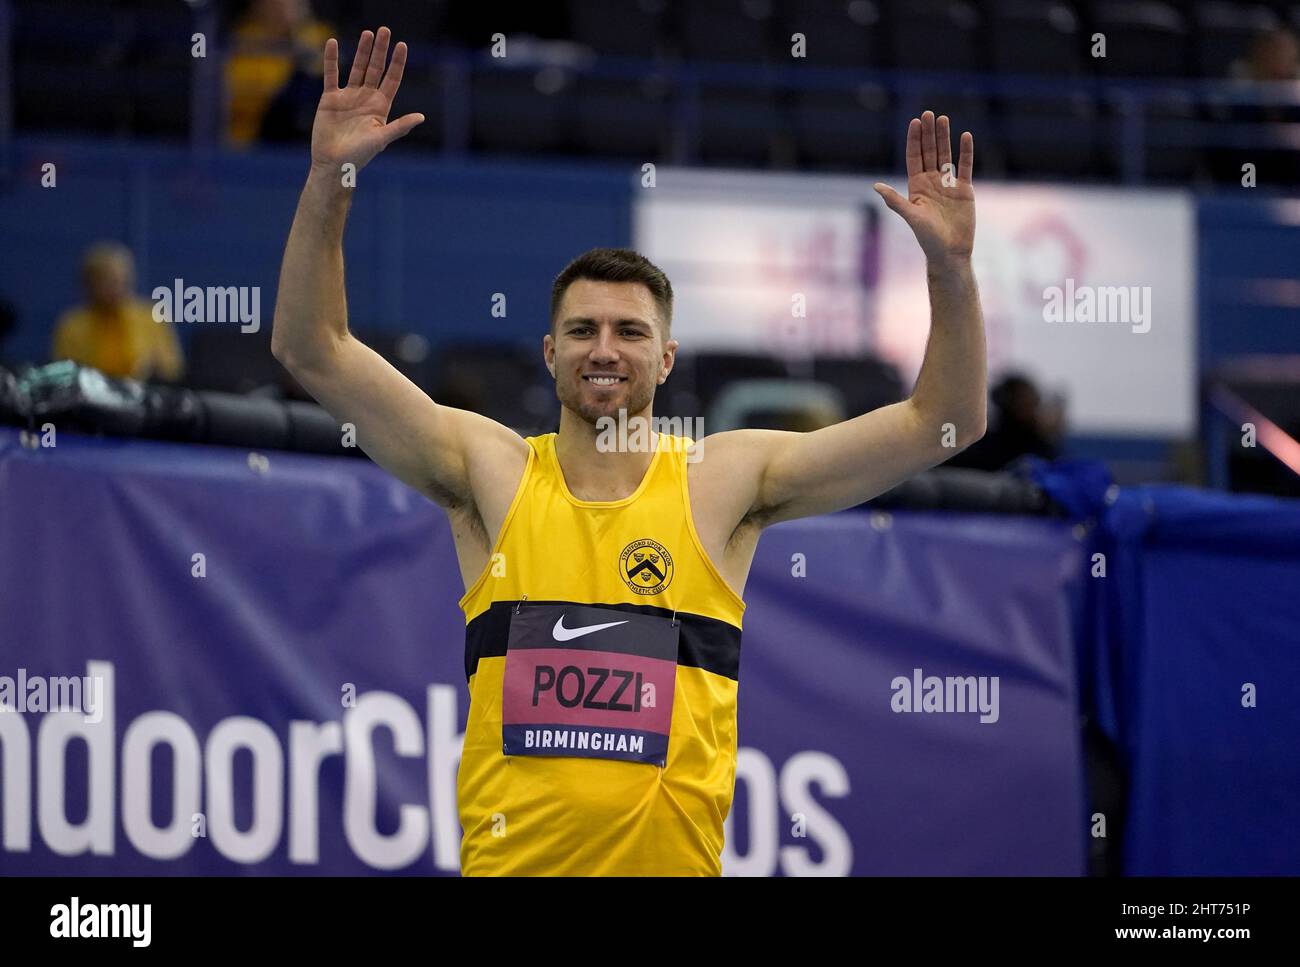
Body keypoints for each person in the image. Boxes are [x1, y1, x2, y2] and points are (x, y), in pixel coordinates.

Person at [270, 27, 987, 876]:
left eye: (628, 331)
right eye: (581, 329)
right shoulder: (490, 471)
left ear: (667, 356)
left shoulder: (726, 481)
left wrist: (950, 270)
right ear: (548, 351)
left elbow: (945, 421)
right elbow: (311, 345)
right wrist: (330, 177)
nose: (603, 348)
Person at [51, 242, 184, 382]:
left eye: (122, 281)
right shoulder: (72, 325)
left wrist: (155, 368)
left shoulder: (151, 316)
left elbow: (174, 368)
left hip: (142, 395)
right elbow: (62, 374)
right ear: (89, 284)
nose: (117, 289)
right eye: (109, 282)